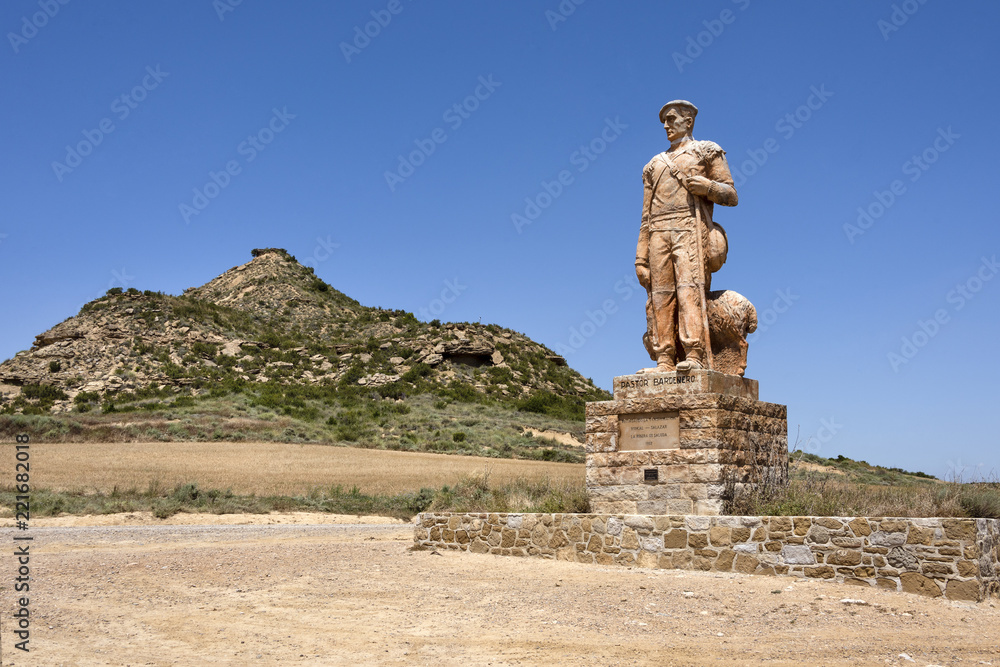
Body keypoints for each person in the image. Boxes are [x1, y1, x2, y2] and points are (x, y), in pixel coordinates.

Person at [636, 100, 738, 372]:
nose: (667, 126)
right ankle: (665, 358)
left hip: (690, 229)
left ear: (688, 121)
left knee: (689, 291)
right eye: (664, 122)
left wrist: (708, 187)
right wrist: (640, 257)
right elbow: (645, 215)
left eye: (671, 119)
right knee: (661, 295)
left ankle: (694, 354)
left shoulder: (706, 151)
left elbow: (731, 195)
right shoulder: (654, 165)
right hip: (658, 231)